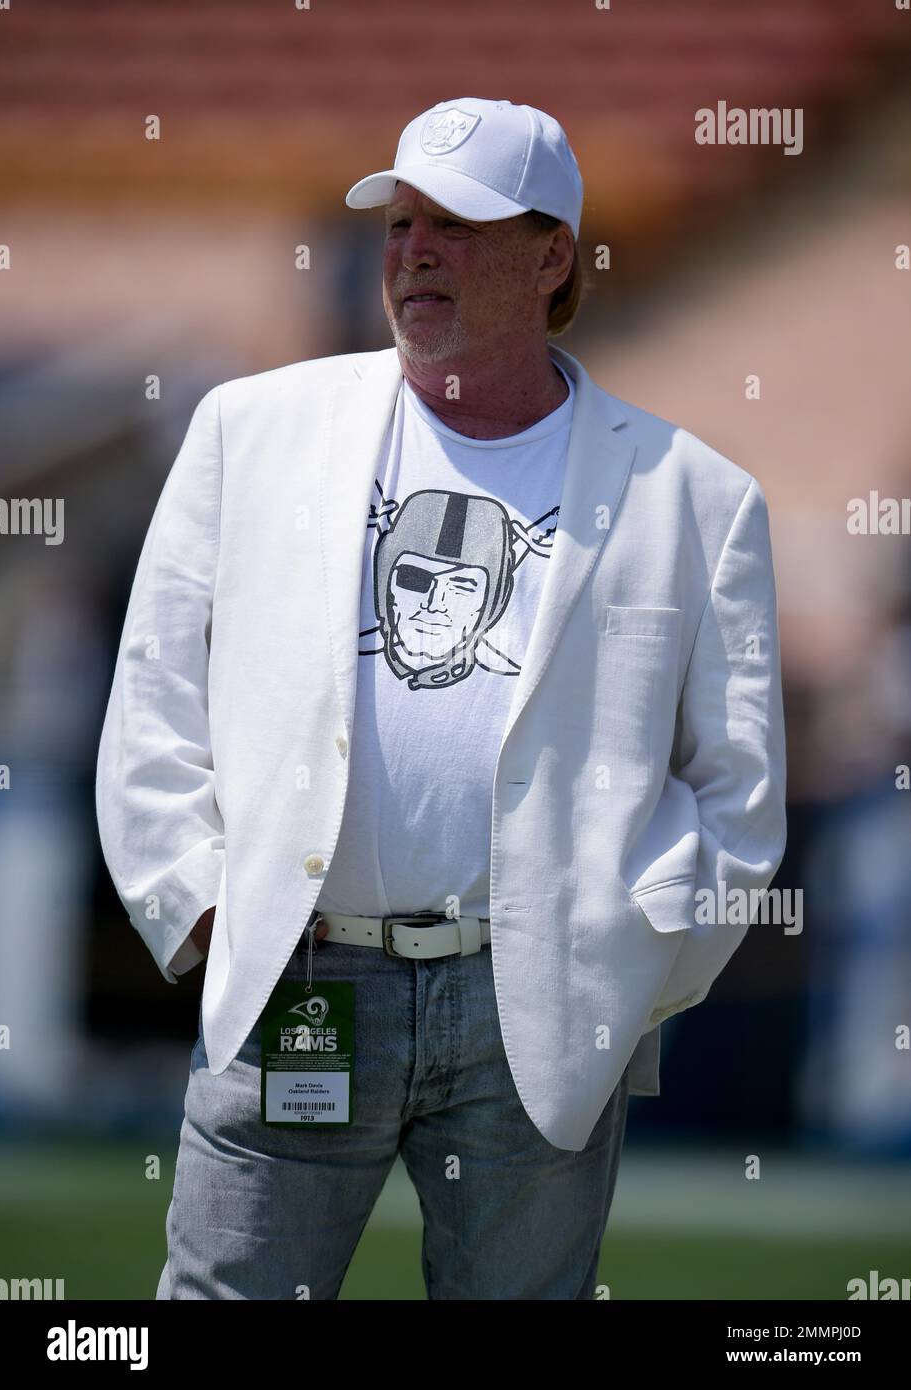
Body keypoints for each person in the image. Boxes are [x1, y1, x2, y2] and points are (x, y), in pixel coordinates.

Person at [95, 97, 787, 1300]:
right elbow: (153, 695)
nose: (413, 251)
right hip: (297, 978)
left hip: (538, 1004)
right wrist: (205, 910)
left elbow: (737, 789)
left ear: (551, 256)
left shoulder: (696, 496)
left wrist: (625, 964)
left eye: (455, 225)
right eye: (399, 223)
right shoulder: (249, 432)